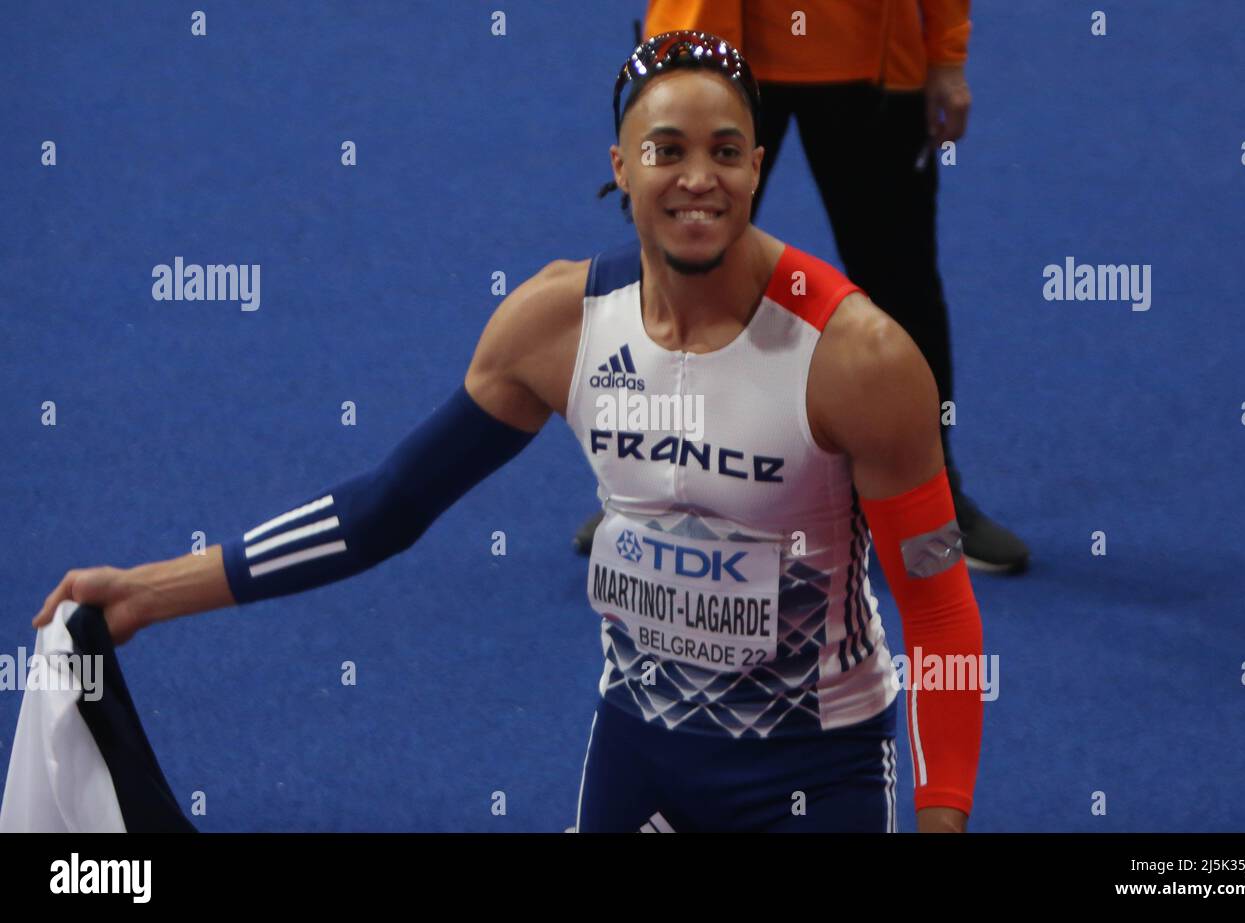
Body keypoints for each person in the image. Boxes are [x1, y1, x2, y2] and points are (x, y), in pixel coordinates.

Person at [32, 32, 982, 833]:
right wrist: (149, 593)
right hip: (636, 760)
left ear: (758, 166)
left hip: (810, 779)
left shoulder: (858, 359)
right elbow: (385, 508)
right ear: (621, 165)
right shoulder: (558, 323)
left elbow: (937, 611)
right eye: (668, 151)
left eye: (727, 151)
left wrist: (942, 817)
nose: (700, 180)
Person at [574, 0, 1031, 574]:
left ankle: (932, 496)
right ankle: (654, 490)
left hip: (867, 66)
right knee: (683, 279)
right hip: (709, 56)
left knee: (903, 287)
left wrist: (947, 57)